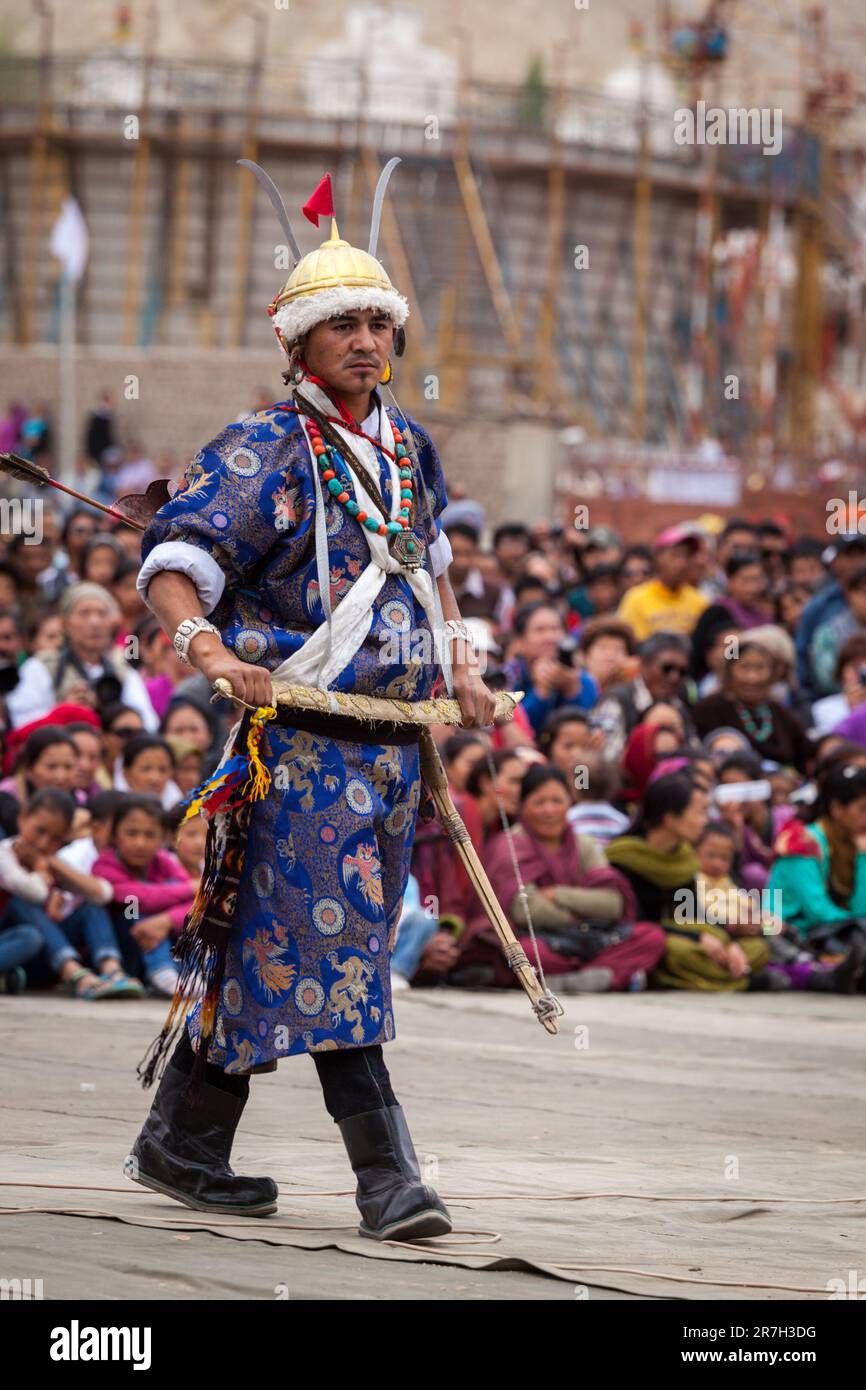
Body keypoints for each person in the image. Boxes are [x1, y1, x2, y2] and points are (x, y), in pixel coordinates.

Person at [126, 168, 495, 1239]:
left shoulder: (408, 449)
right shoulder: (260, 447)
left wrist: (461, 667)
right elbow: (176, 559)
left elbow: (428, 576)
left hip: (389, 754)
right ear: (299, 343)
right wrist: (205, 644)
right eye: (342, 323)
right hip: (293, 743)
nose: (366, 339)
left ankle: (183, 1140)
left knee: (273, 943)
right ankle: (389, 1179)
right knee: (332, 946)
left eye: (379, 320)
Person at [458, 764, 666, 993]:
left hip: (591, 938)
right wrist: (581, 913)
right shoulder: (510, 845)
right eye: (539, 802)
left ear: (570, 803)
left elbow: (612, 903)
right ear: (523, 806)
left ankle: (567, 979)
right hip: (541, 942)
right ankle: (600, 975)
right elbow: (527, 911)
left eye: (557, 801)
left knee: (651, 937)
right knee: (521, 952)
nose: (549, 810)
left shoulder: (583, 844)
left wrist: (558, 894)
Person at [606, 771, 771, 991]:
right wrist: (697, 937)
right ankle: (742, 979)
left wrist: (727, 941)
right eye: (699, 812)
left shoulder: (684, 860)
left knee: (756, 947)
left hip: (684, 935)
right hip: (646, 940)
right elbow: (635, 925)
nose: (706, 820)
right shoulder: (624, 858)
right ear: (670, 818)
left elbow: (691, 916)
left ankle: (726, 974)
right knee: (675, 951)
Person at [5, 583, 159, 731]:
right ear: (65, 624)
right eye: (84, 613)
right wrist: (66, 711)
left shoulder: (122, 670)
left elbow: (149, 724)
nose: (95, 622)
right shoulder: (41, 667)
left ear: (111, 624)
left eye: (102, 613)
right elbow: (22, 722)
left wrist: (108, 711)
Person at [93, 796, 194, 996]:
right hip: (127, 943)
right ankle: (161, 971)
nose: (140, 843)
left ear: (163, 838)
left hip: (159, 936)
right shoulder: (103, 864)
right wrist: (190, 888)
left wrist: (167, 920)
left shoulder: (164, 861)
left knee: (175, 895)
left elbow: (198, 905)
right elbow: (138, 896)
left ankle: (184, 972)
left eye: (150, 835)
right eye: (132, 833)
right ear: (115, 835)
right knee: (135, 904)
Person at [768, 764, 866, 950]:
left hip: (829, 930)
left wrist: (863, 858)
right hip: (785, 933)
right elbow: (817, 911)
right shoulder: (802, 843)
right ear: (836, 808)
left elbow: (860, 908)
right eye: (862, 809)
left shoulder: (851, 841)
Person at [693, 638, 812, 773]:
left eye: (759, 668)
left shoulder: (779, 711)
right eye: (745, 667)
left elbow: (805, 754)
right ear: (730, 672)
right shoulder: (710, 709)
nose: (752, 678)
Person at [593, 632, 693, 761]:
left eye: (682, 671)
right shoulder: (617, 699)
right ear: (644, 664)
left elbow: (694, 753)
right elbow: (608, 758)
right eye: (667, 668)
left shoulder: (678, 705)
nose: (674, 677)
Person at [616, 526, 708, 641]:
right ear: (658, 557)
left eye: (687, 556)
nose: (682, 563)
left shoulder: (700, 601)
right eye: (676, 555)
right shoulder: (635, 599)